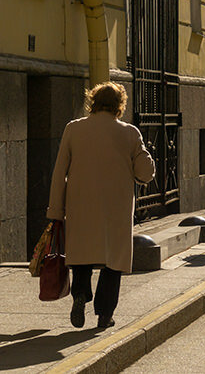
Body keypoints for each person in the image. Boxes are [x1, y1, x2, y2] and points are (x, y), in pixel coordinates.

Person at [46, 82, 155, 329]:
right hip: (115, 207)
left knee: (82, 255)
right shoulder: (129, 132)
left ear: (92, 101)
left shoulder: (74, 129)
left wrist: (56, 210)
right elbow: (145, 173)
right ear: (120, 105)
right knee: (112, 260)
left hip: (80, 204)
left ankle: (81, 295)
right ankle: (105, 314)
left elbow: (59, 171)